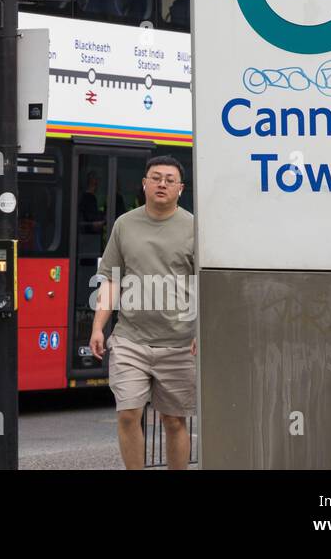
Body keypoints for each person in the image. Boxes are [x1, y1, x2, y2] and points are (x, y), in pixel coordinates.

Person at [89, 155, 196, 470]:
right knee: (128, 414)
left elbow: (207, 283)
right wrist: (98, 328)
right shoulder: (125, 224)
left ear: (180, 189)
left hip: (179, 341)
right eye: (155, 177)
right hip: (130, 339)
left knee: (174, 420)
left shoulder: (194, 228)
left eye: (169, 179)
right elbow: (111, 279)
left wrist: (202, 333)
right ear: (144, 184)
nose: (162, 183)